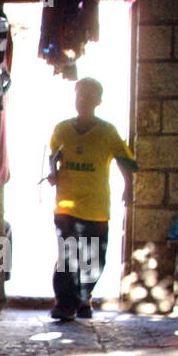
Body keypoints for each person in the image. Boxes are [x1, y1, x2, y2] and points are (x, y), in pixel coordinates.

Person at [46, 77, 137, 321]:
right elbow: (53, 157)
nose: (82, 101)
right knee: (68, 256)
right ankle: (65, 304)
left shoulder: (107, 131)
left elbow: (124, 159)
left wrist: (128, 188)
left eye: (88, 96)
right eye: (79, 95)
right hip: (66, 205)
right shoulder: (62, 129)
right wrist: (52, 173)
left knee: (94, 258)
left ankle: (84, 297)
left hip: (96, 207)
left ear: (98, 101)